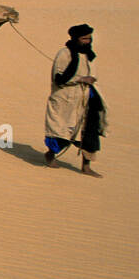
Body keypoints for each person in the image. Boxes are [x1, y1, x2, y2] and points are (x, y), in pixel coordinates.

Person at [43, 24, 107, 176]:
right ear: (76, 38)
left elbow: (93, 74)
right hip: (66, 99)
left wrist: (90, 81)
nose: (87, 41)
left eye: (89, 38)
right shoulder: (64, 54)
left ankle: (86, 166)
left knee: (90, 132)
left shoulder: (89, 55)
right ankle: (50, 155)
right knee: (61, 132)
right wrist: (80, 79)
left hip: (87, 98)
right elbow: (58, 78)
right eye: (84, 38)